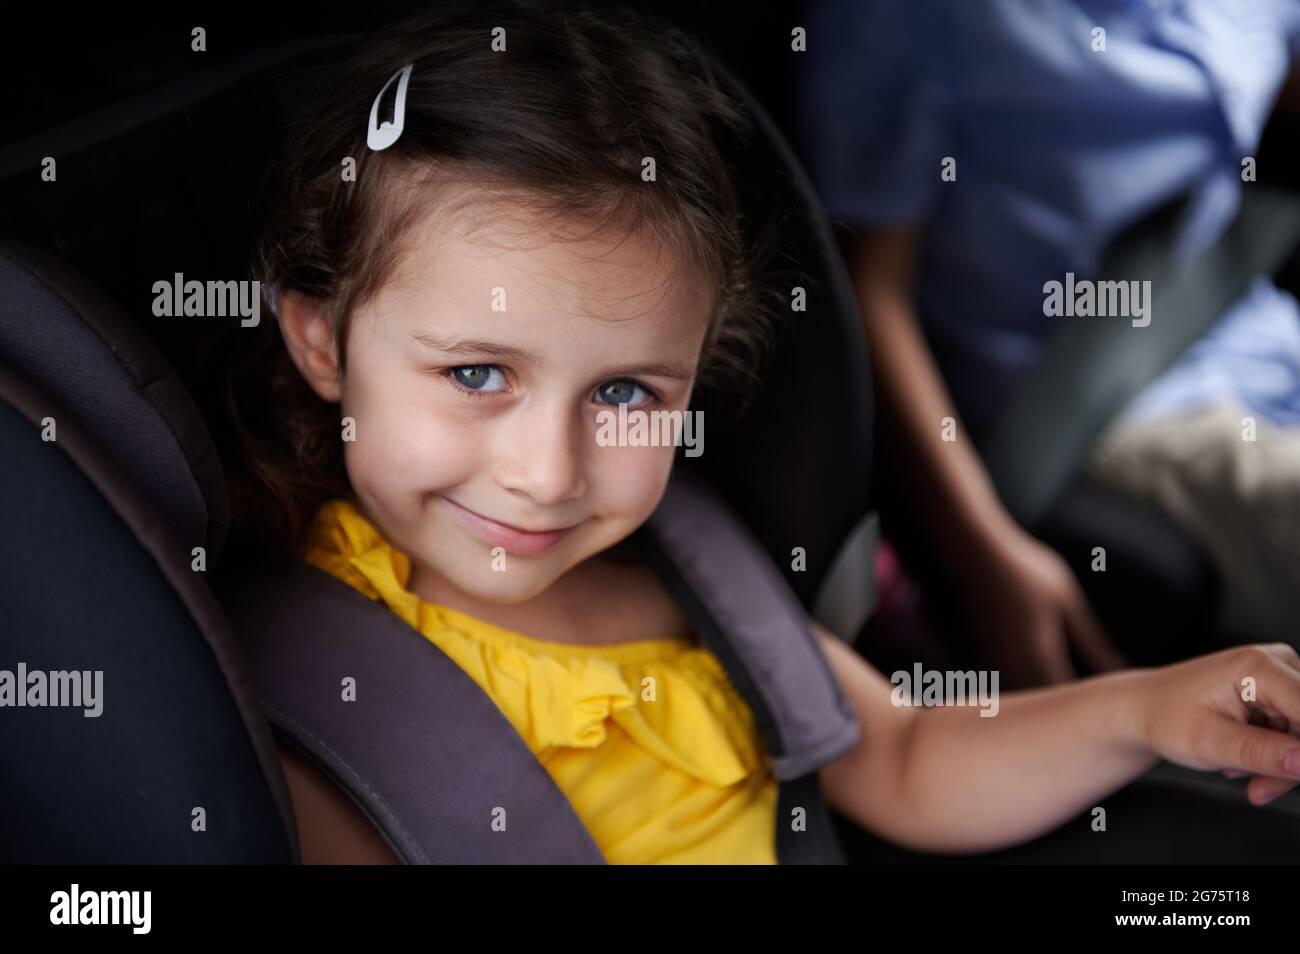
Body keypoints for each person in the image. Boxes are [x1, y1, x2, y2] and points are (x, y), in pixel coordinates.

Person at [228, 0, 1300, 864]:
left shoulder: (691, 575)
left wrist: (1146, 710)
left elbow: (908, 759)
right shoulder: (318, 698)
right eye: (474, 373)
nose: (546, 473)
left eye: (625, 395)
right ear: (321, 343)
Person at [798, 0, 1300, 686]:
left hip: (1263, 333)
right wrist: (984, 555)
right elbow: (869, 294)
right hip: (1109, 411)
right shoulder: (907, 19)